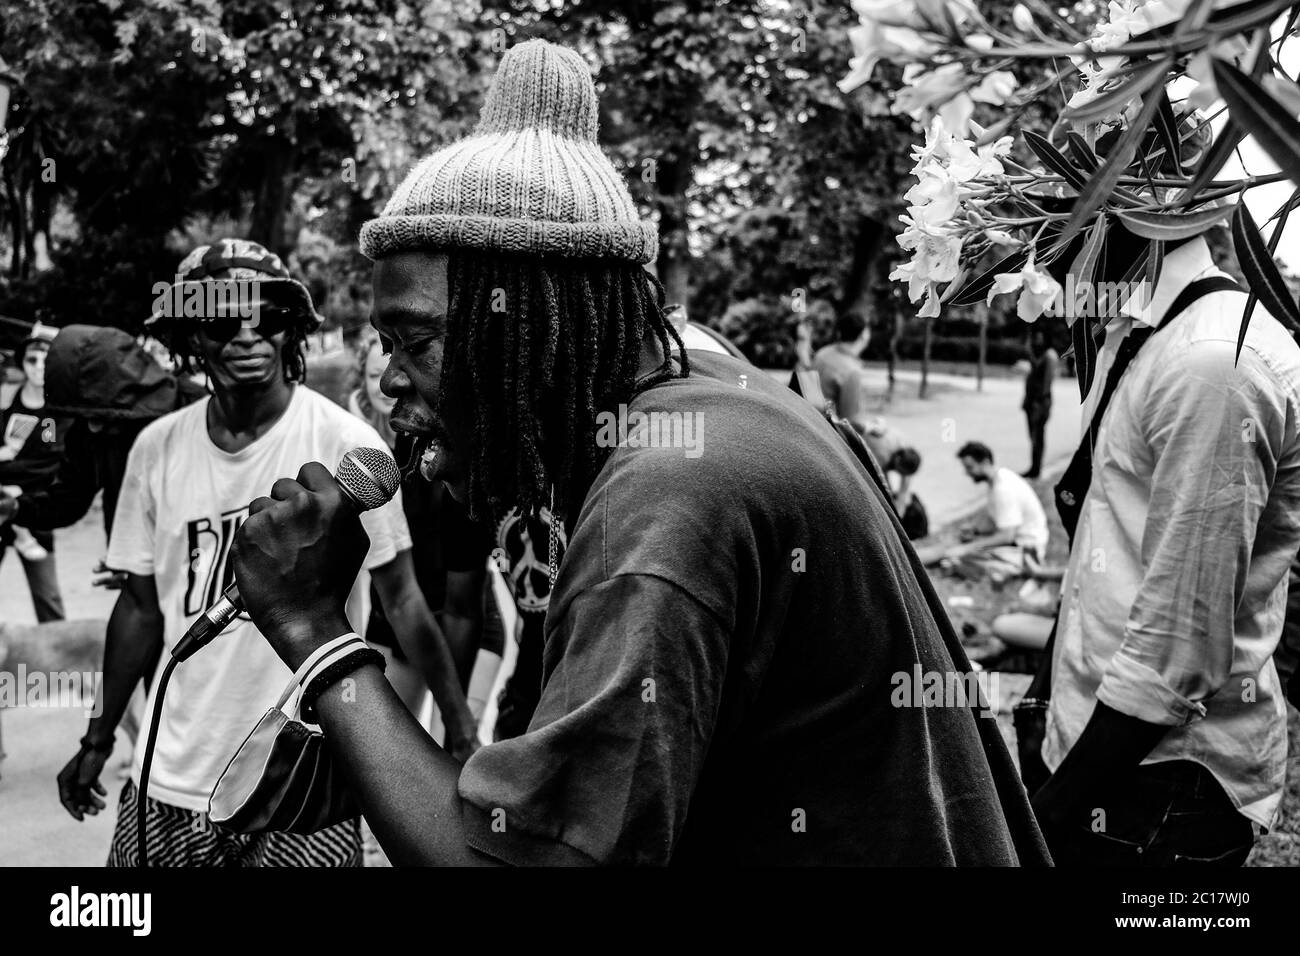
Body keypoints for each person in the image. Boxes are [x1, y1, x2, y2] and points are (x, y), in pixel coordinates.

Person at [227, 40, 1048, 866]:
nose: (390, 384)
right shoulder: (703, 390)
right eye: (383, 345)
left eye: (416, 342)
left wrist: (315, 632)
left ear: (524, 325)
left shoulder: (668, 496)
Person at [53, 239, 476, 867]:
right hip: (169, 779)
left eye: (268, 315)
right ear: (191, 334)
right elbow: (140, 608)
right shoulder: (155, 448)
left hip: (301, 783)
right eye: (224, 318)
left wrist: (459, 722)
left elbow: (404, 596)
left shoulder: (345, 444)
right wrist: (98, 733)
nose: (249, 333)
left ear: (292, 330)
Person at [1028, 230, 1300, 867]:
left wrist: (1035, 827)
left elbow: (1177, 645)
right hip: (1109, 759)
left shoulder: (1214, 365)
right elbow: (1110, 539)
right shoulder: (1146, 331)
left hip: (1159, 792)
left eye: (1058, 211)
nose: (1037, 246)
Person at [347, 333, 504, 726]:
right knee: (390, 751)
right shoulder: (360, 454)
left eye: (412, 352)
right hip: (395, 626)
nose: (388, 379)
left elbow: (467, 590)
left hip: (459, 618)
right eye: (375, 370)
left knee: (450, 750)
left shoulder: (448, 449)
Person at [0, 322, 68, 622]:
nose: (39, 367)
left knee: (48, 599)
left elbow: (48, 463)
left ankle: (60, 666)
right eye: (31, 359)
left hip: (34, 511)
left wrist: (14, 480)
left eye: (45, 358)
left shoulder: (54, 415)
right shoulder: (6, 403)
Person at [943, 441, 1049, 583]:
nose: (967, 473)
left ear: (985, 462)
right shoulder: (999, 478)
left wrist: (967, 548)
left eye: (970, 467)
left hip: (1026, 549)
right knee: (957, 550)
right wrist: (975, 530)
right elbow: (998, 520)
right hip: (1022, 543)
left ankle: (1008, 569)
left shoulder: (1003, 490)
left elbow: (1006, 536)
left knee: (957, 555)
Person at [812, 310, 872, 430]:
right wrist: (874, 427)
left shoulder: (822, 354)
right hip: (831, 434)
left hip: (811, 421)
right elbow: (851, 422)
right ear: (863, 335)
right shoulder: (851, 371)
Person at [1022, 326, 1057, 479]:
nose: (1036, 341)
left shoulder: (1049, 356)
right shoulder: (1041, 355)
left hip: (1040, 403)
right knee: (1034, 436)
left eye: (1038, 338)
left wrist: (1039, 402)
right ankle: (1034, 467)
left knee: (1038, 436)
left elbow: (1046, 384)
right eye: (1034, 338)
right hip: (1032, 402)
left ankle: (1036, 469)